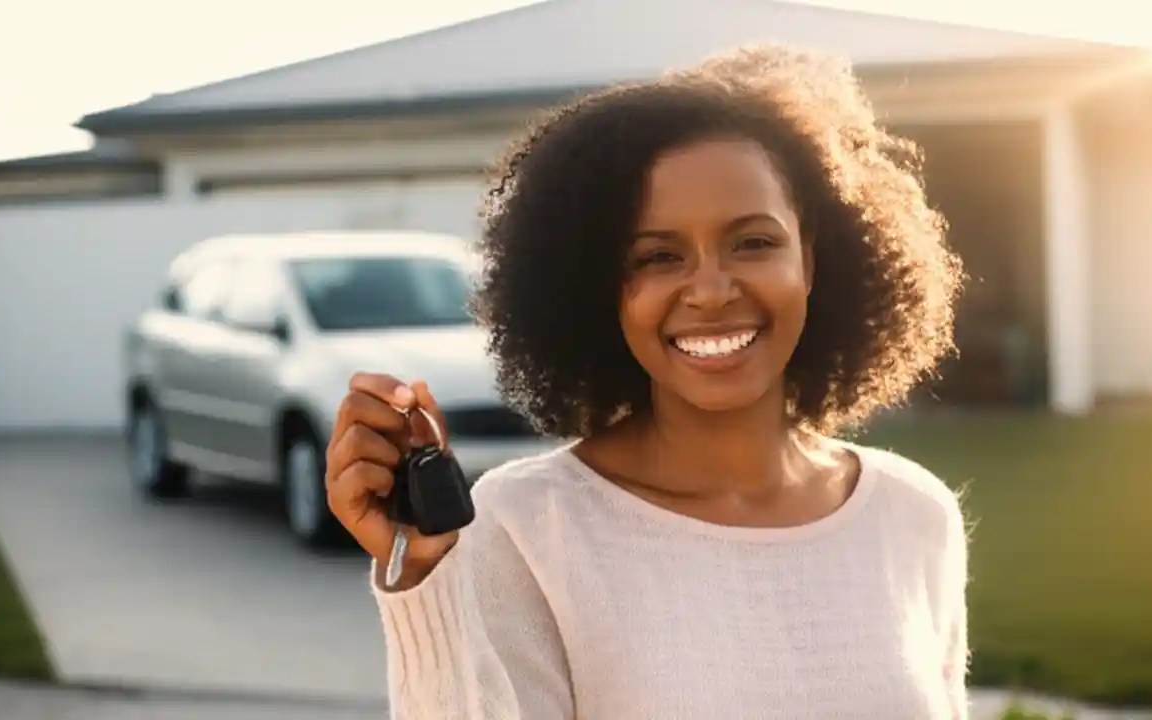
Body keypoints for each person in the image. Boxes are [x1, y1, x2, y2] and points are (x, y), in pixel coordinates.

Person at [324, 44, 969, 718]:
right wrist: (426, 576)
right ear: (603, 288)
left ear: (809, 257)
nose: (712, 291)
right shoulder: (529, 527)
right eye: (658, 257)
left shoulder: (913, 515)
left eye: (753, 242)